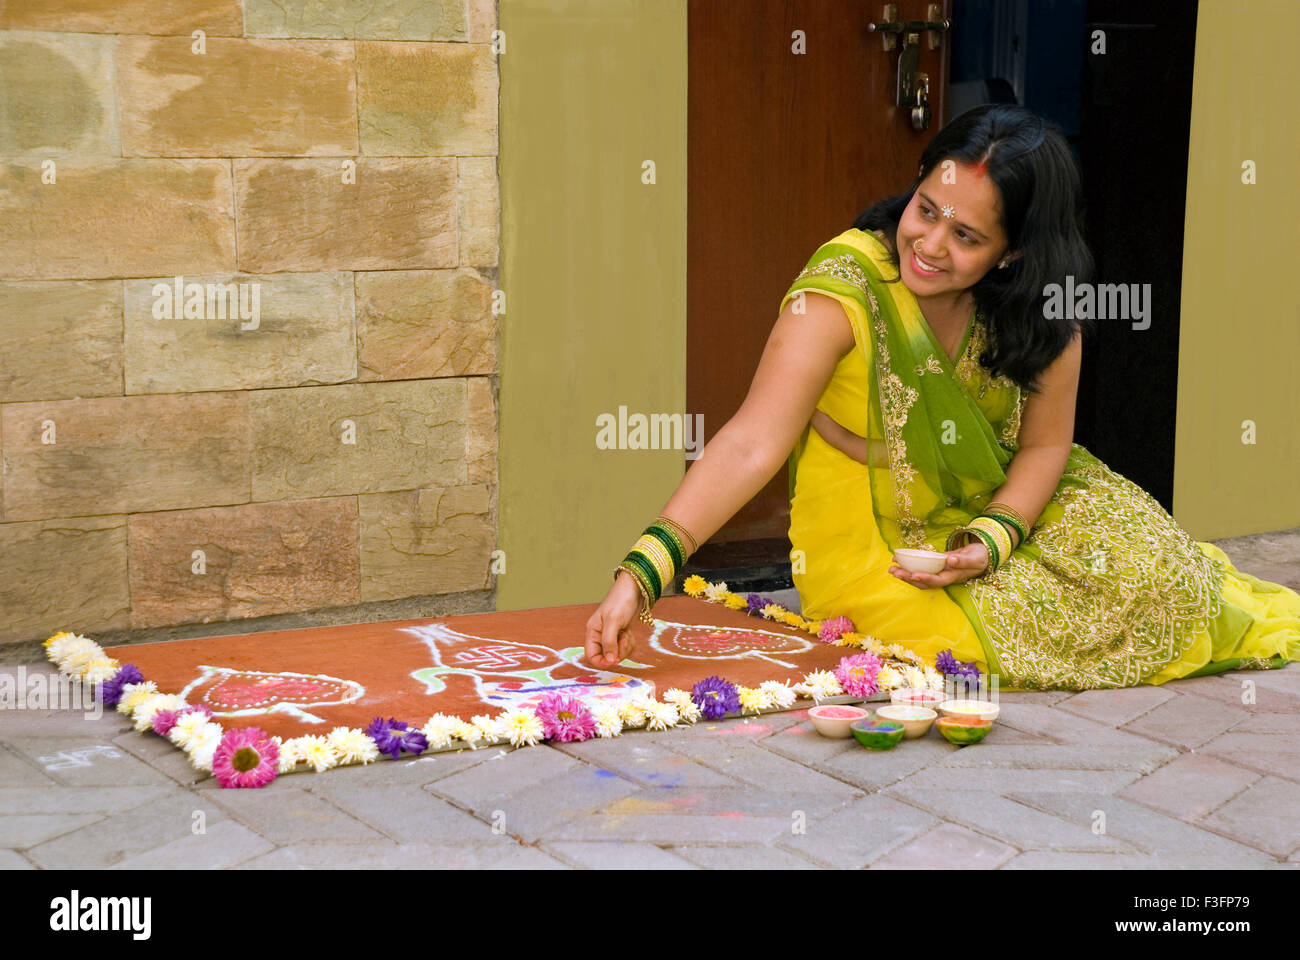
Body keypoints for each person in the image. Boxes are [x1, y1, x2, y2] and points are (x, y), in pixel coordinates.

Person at [584, 104, 1300, 690]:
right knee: (955, 645)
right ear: (918, 181)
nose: (928, 244)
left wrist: (992, 537)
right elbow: (750, 442)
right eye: (925, 209)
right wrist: (643, 574)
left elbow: (1045, 447)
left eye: (965, 236)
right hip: (873, 528)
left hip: (1001, 505)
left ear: (1013, 252)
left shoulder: (1040, 309)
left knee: (1162, 575)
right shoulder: (847, 288)